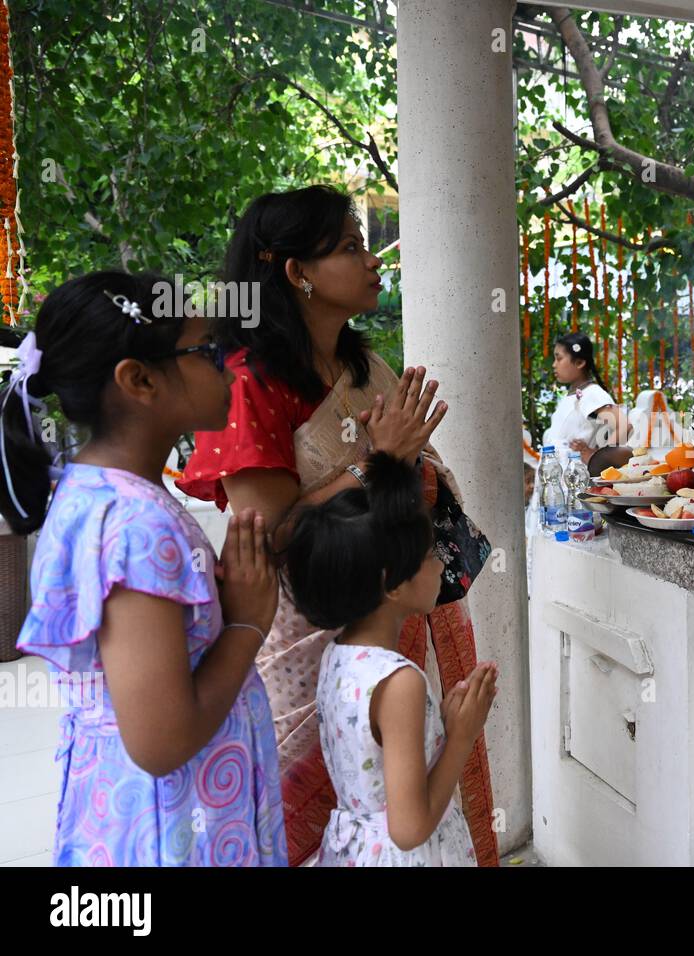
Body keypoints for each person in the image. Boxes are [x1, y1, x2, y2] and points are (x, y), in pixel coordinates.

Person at [177, 185, 497, 866]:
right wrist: (377, 462)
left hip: (392, 611)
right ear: (296, 272)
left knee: (406, 787)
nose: (373, 259)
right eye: (351, 247)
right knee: (326, 813)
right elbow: (272, 539)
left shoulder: (361, 365)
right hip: (309, 638)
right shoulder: (251, 382)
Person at [9, 271, 285, 865]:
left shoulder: (97, 492)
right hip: (172, 830)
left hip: (139, 813)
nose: (229, 367)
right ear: (139, 380)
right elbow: (161, 742)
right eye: (208, 351)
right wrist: (247, 625)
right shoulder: (135, 526)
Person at [280, 452, 496, 866]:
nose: (441, 565)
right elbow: (409, 827)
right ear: (391, 583)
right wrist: (461, 736)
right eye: (431, 554)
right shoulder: (400, 684)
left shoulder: (337, 658)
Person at [542, 332, 630, 471]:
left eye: (559, 359)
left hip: (575, 483)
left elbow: (624, 426)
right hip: (558, 481)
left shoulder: (591, 393)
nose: (554, 365)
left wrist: (597, 459)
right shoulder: (574, 395)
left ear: (580, 363)